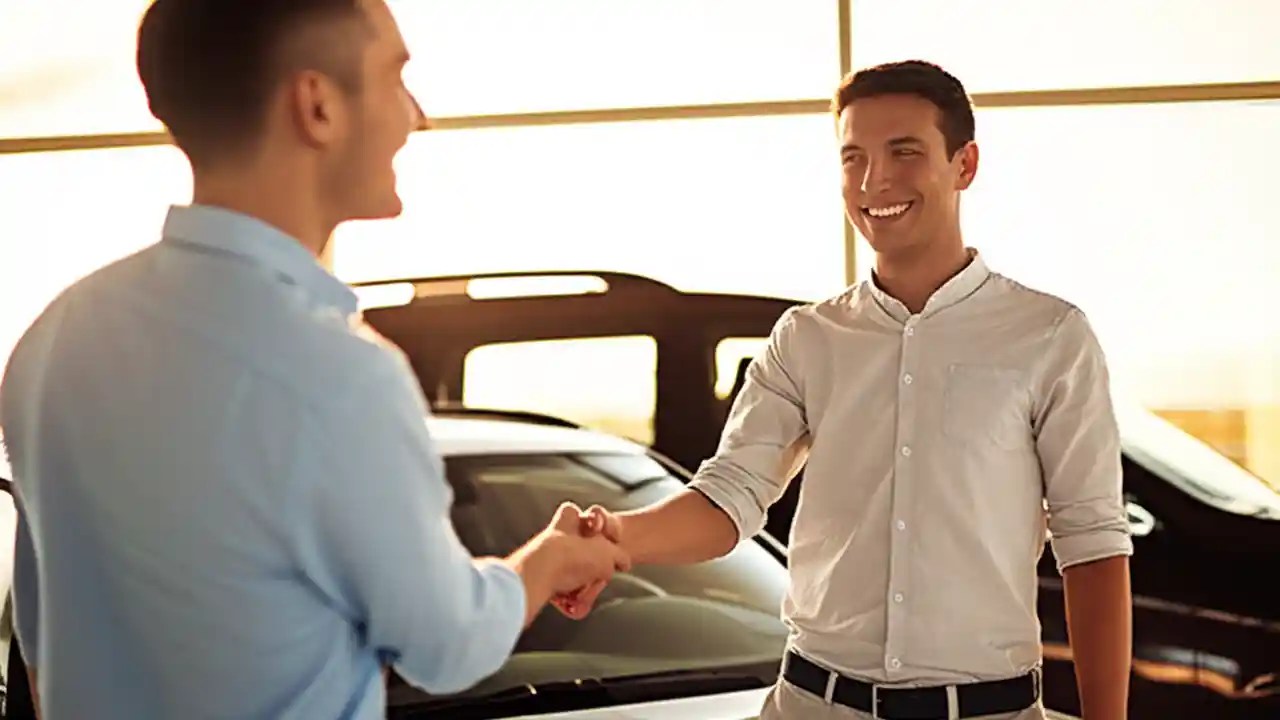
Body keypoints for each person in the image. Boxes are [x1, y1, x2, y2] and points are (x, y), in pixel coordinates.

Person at [0, 1, 628, 718]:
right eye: (396, 78)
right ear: (318, 105)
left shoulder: (54, 338)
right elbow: (447, 643)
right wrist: (550, 560)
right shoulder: (339, 375)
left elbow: (44, 647)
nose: (416, 116)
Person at [554, 60, 1134, 720]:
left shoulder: (1050, 336)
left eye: (904, 152)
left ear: (964, 165)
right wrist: (613, 538)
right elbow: (729, 498)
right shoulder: (806, 337)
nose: (872, 180)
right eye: (852, 156)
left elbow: (1093, 546)